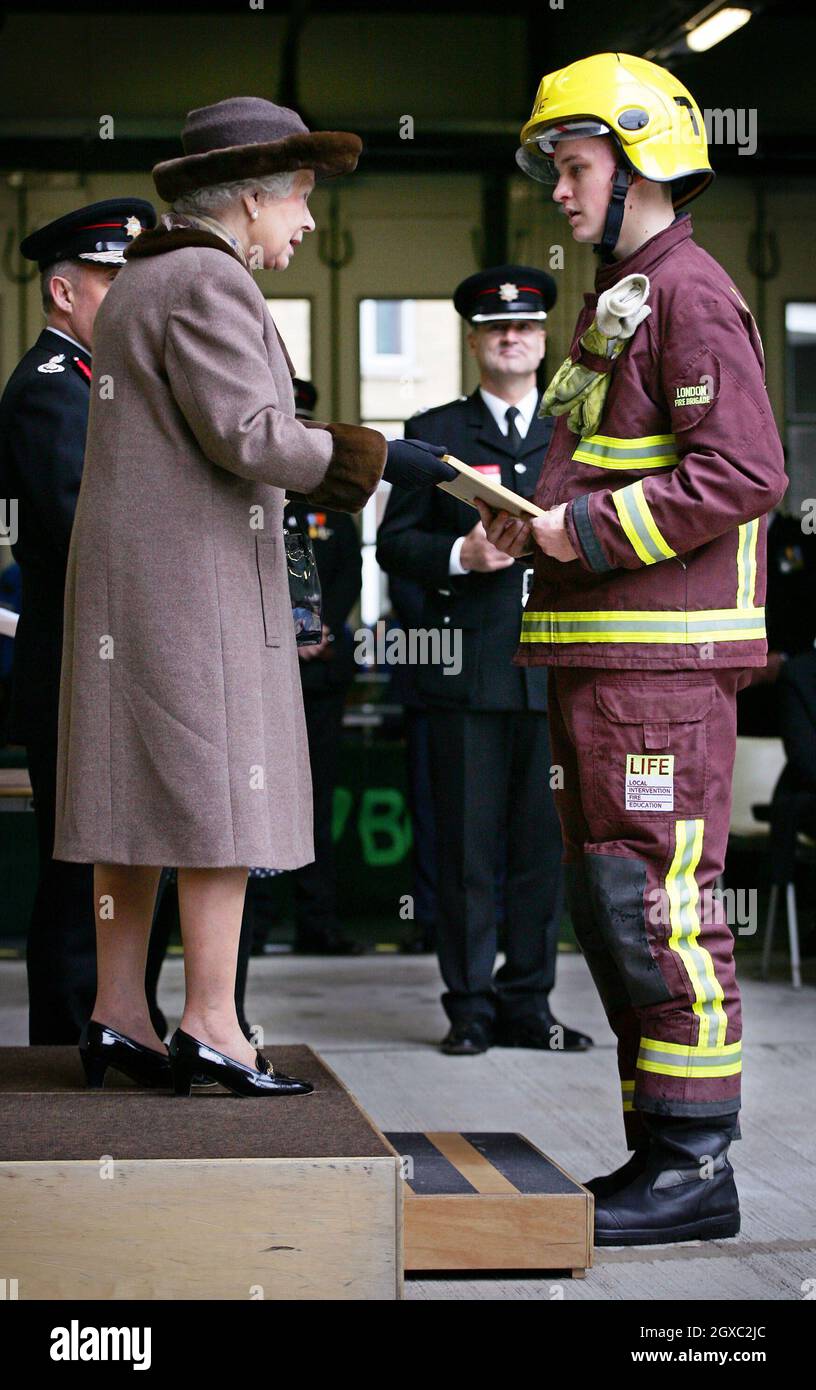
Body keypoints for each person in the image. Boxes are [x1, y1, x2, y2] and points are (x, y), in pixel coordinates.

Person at [52, 97, 453, 1098]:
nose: (308, 222)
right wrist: (381, 454)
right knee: (222, 800)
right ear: (252, 196)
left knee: (131, 799)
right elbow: (253, 434)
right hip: (197, 592)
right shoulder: (209, 281)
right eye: (300, 199)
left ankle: (118, 1012)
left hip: (138, 586)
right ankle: (213, 1024)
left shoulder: (145, 278)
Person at [477, 54, 787, 1243]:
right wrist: (534, 520)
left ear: (640, 161)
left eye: (573, 166)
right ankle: (659, 1149)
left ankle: (697, 1165)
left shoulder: (689, 291)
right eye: (557, 170)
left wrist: (582, 531)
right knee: (616, 902)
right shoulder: (626, 293)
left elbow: (749, 472)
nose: (557, 191)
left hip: (658, 670)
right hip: (604, 662)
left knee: (659, 901)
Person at [377, 266, 592, 1056]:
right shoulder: (434, 432)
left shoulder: (577, 430)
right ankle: (468, 1006)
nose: (512, 337)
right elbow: (394, 544)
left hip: (553, 673)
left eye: (527, 327)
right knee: (464, 854)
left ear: (543, 341)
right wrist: (461, 555)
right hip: (464, 676)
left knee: (542, 854)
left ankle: (528, 1005)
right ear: (474, 339)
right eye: (497, 327)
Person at [0, 199, 157, 1043]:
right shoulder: (52, 388)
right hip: (75, 666)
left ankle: (121, 1023)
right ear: (63, 291)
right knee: (79, 867)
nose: (126, 297)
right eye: (109, 280)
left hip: (111, 664)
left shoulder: (107, 382)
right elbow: (80, 524)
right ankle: (68, 1041)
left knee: (123, 857)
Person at [286, 377, 366, 955]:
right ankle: (253, 928)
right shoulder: (245, 496)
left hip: (320, 680)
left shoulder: (332, 507)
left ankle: (318, 924)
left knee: (316, 804)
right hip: (262, 675)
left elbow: (349, 578)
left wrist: (315, 630)